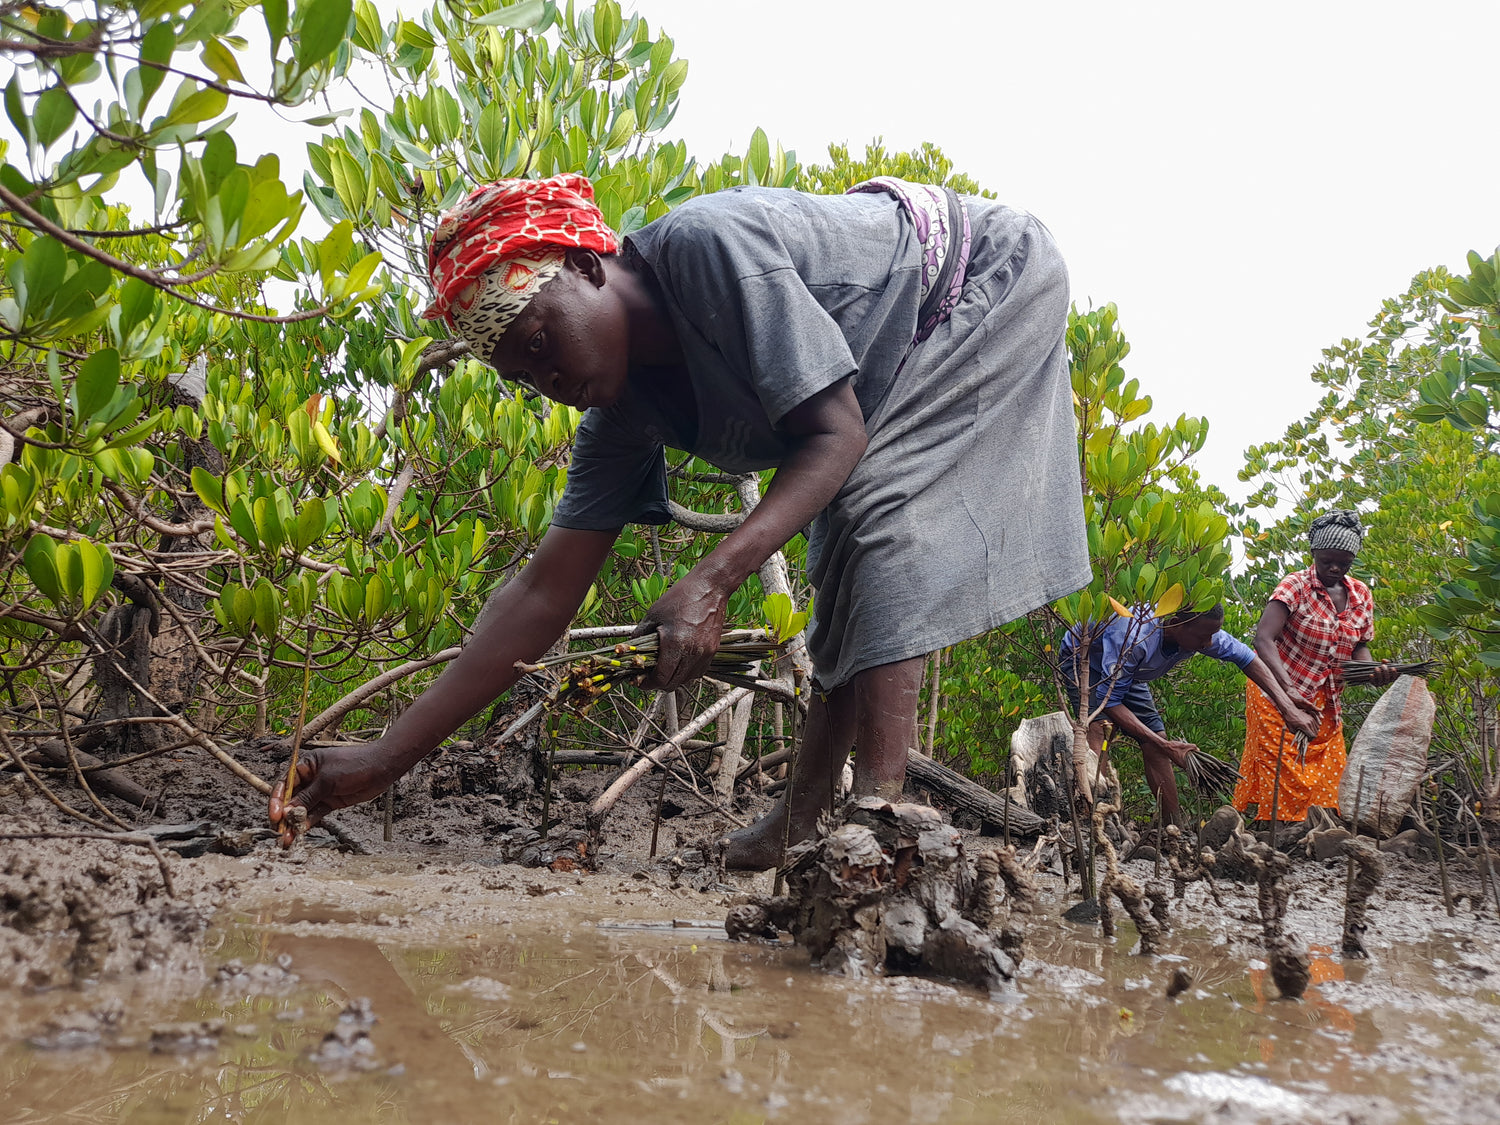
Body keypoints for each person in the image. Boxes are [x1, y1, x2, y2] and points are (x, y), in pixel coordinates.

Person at [269, 173, 1091, 868]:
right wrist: (385, 758)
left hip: (982, 276)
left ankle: (882, 824)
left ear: (586, 266)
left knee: (879, 516)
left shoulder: (707, 249)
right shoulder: (619, 413)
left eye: (542, 342)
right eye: (525, 377)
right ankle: (804, 821)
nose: (550, 382)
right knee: (844, 551)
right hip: (901, 351)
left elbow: (836, 436)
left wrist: (713, 579)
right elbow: (541, 594)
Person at [1059, 603, 1319, 824]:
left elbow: (1247, 659)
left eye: (1212, 635)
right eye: (1203, 637)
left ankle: (1172, 829)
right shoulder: (1135, 636)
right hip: (1084, 658)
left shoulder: (1200, 631)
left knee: (1157, 740)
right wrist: (1167, 746)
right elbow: (1111, 702)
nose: (1208, 643)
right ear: (1174, 625)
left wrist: (1288, 705)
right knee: (1100, 727)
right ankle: (1095, 819)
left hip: (1126, 671)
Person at [1231, 510, 1396, 823]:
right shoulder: (1295, 586)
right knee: (1284, 765)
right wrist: (1289, 692)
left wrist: (1373, 672)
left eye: (1343, 563)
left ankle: (1316, 833)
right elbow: (1263, 639)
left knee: (1326, 771)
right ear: (1314, 554)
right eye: (1326, 561)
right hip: (1275, 689)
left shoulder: (1361, 594)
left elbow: (1359, 646)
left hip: (1326, 697)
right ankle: (1281, 831)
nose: (1334, 568)